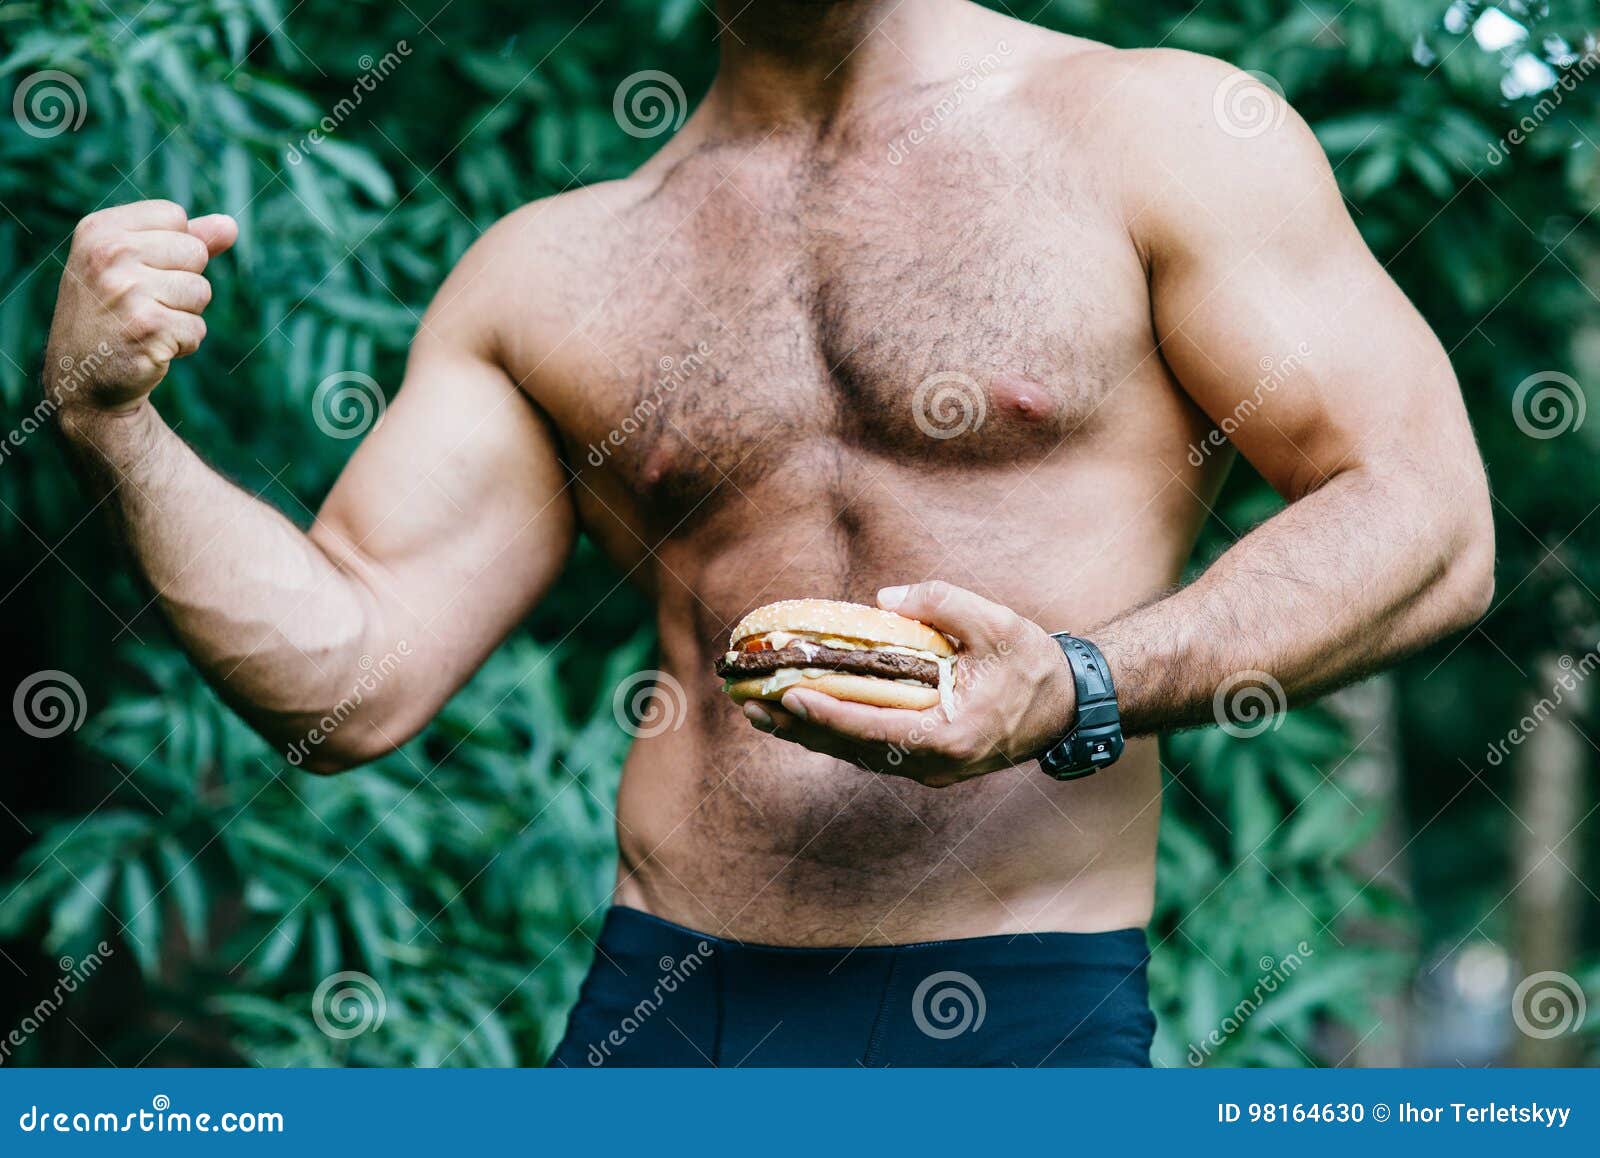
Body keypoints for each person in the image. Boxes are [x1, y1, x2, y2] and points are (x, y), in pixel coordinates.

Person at [43, 0, 1493, 1066]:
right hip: (664, 1007)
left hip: (1016, 1000)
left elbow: (1428, 515)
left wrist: (1077, 681)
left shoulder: (1152, 133)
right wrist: (120, 427)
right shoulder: (555, 266)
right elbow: (349, 669)